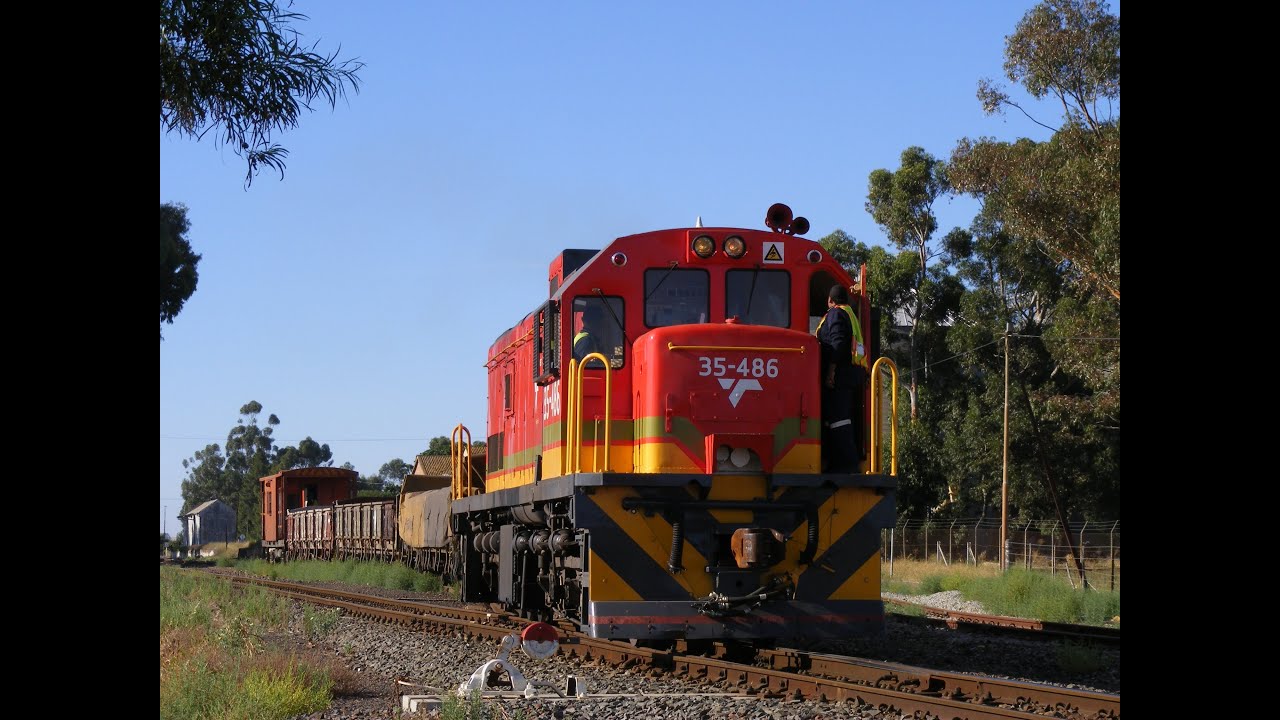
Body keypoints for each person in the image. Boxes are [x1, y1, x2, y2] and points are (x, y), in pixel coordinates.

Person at [814, 285, 868, 472]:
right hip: (850, 372)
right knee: (836, 417)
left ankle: (848, 465)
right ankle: (837, 462)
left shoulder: (836, 314)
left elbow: (838, 344)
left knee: (839, 419)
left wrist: (831, 370)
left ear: (831, 300)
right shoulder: (850, 314)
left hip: (840, 375)